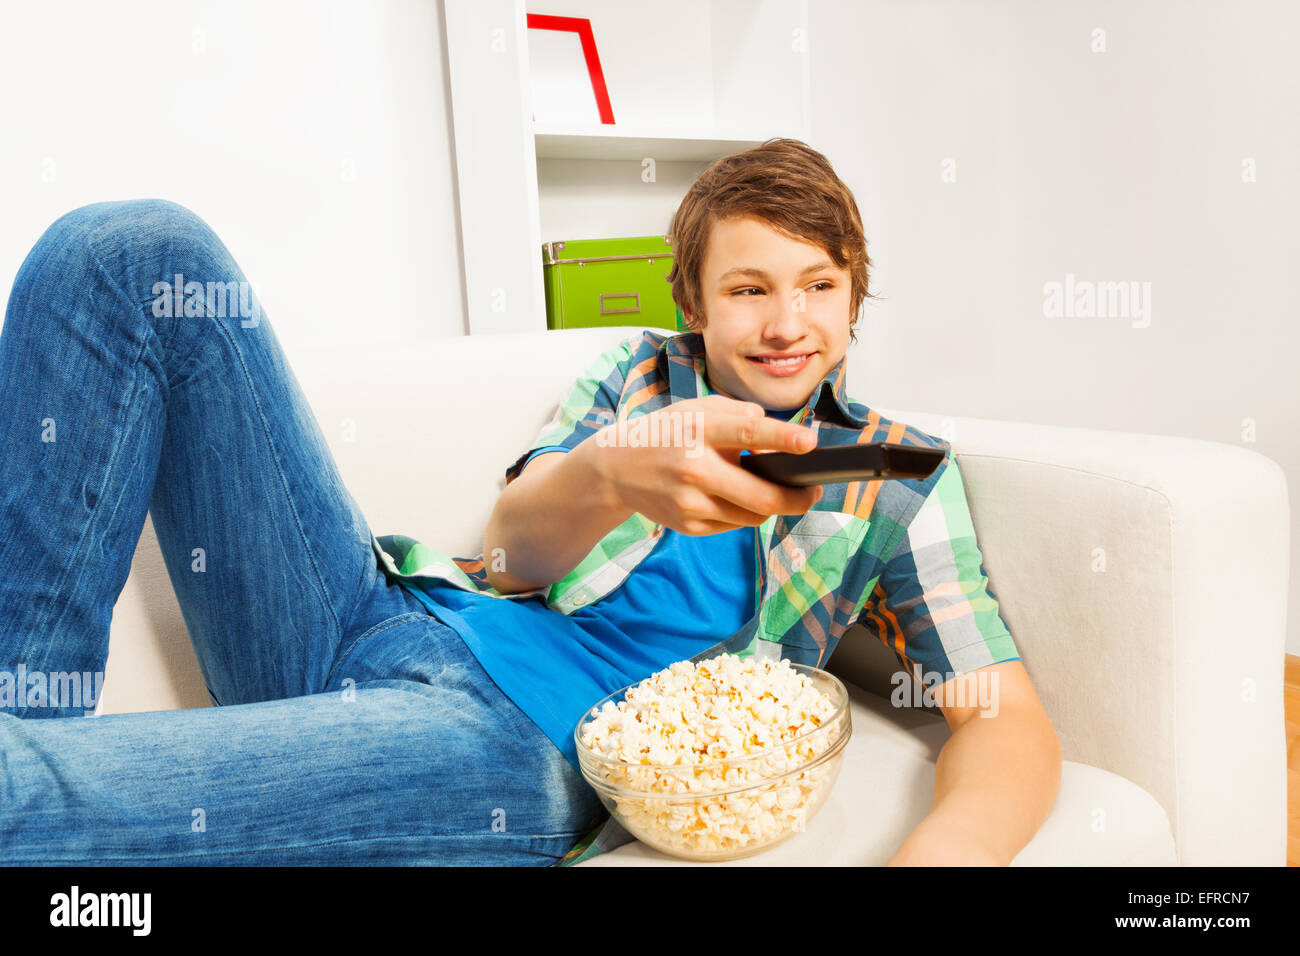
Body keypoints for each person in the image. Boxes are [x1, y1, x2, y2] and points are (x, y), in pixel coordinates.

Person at [0, 138, 1059, 867]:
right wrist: (612, 469)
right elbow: (511, 558)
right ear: (693, 301)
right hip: (378, 613)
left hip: (512, 743)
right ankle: (21, 694)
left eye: (819, 284)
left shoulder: (890, 475)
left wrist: (943, 856)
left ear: (854, 296)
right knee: (131, 249)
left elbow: (999, 713)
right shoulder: (640, 380)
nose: (788, 322)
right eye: (749, 288)